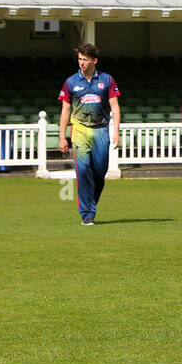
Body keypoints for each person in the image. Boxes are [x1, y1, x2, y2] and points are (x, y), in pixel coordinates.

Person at [57, 43, 120, 226]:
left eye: (85, 59)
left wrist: (116, 131)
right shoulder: (71, 82)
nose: (81, 63)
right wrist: (62, 136)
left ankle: (90, 203)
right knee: (83, 170)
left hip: (101, 129)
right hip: (79, 129)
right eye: (79, 59)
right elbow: (65, 110)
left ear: (94, 60)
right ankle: (87, 213)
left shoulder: (107, 80)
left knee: (100, 172)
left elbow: (115, 107)